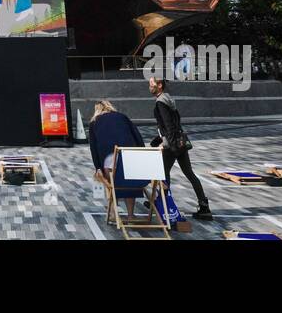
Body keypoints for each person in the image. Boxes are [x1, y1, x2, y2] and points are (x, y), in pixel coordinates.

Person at [148, 77, 212, 221]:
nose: (149, 87)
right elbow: (175, 124)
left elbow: (169, 126)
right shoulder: (169, 99)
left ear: (159, 85)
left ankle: (165, 204)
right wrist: (160, 139)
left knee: (162, 173)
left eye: (151, 85)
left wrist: (166, 144)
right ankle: (204, 207)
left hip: (172, 145)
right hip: (180, 142)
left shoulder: (160, 103)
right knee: (189, 173)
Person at [88, 100, 145, 219]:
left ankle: (113, 212)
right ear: (110, 107)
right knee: (130, 184)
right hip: (131, 157)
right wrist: (142, 154)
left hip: (110, 160)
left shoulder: (94, 122)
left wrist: (98, 167)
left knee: (110, 183)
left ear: (97, 110)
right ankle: (130, 215)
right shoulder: (122, 117)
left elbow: (94, 148)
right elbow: (137, 136)